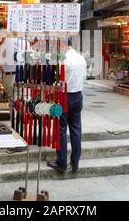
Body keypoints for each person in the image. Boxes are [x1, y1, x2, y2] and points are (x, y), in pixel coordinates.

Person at [47, 37, 87, 173]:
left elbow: (58, 80)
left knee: (61, 129)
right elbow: (84, 78)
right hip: (78, 95)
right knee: (76, 129)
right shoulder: (81, 58)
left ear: (63, 45)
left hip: (64, 96)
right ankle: (75, 162)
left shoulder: (62, 60)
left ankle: (62, 163)